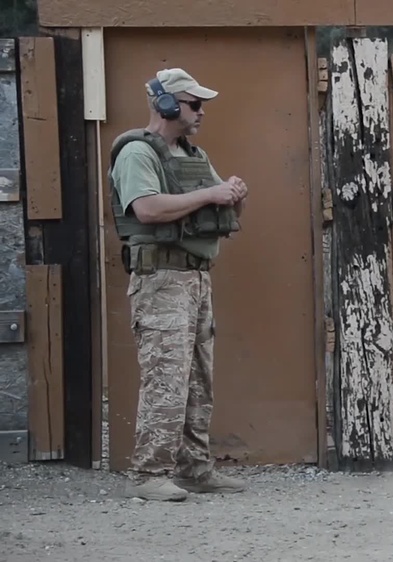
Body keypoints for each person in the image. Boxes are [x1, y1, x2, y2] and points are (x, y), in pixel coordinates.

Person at [108, 68, 249, 502]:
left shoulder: (190, 153)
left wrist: (231, 192)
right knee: (166, 377)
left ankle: (193, 468)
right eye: (194, 104)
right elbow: (147, 209)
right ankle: (150, 473)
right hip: (162, 279)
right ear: (167, 105)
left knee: (197, 378)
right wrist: (212, 194)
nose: (201, 112)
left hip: (194, 277)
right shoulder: (137, 153)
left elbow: (212, 201)